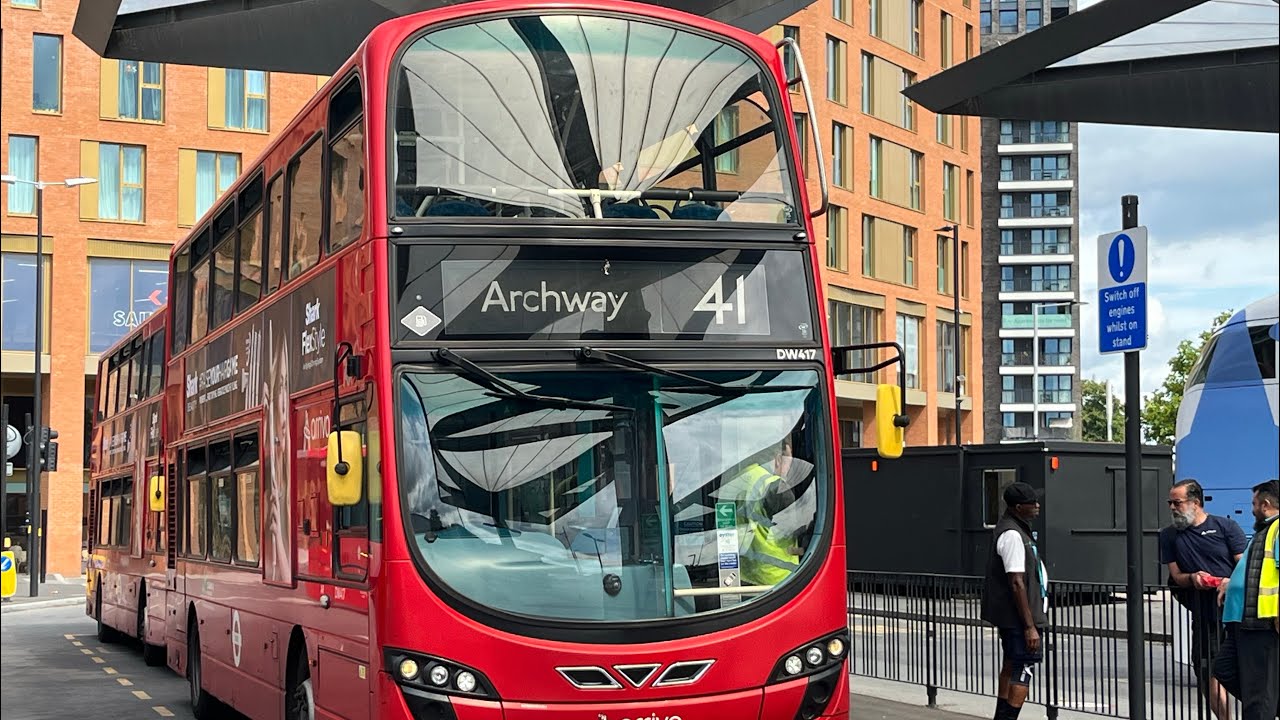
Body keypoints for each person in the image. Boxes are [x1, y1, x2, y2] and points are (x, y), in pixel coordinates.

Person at [1159, 478, 1246, 719]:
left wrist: (1229, 582)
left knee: (1243, 669)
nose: (1172, 508)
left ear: (1195, 502)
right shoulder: (1169, 536)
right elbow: (1176, 576)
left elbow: (1244, 565)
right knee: (1207, 670)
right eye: (1170, 503)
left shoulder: (1225, 527)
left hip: (1236, 613)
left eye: (1177, 502)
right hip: (1205, 616)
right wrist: (1193, 578)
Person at [981, 481, 1049, 720]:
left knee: (1011, 663)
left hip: (1015, 616)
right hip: (1020, 618)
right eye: (1033, 503)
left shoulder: (1015, 529)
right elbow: (1016, 581)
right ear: (1019, 507)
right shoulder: (1011, 534)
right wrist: (1030, 626)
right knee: (1024, 667)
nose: (1038, 506)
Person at [1214, 479, 1279, 720]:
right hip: (1243, 619)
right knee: (1224, 669)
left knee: (1258, 694)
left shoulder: (1277, 529)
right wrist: (1232, 582)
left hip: (1262, 621)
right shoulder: (1265, 530)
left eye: (1254, 503)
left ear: (1265, 504)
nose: (1251, 508)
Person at [734, 436, 803, 587]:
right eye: (789, 462)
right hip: (777, 577)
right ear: (778, 459)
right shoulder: (776, 486)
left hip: (746, 574)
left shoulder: (740, 479)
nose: (789, 469)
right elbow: (796, 528)